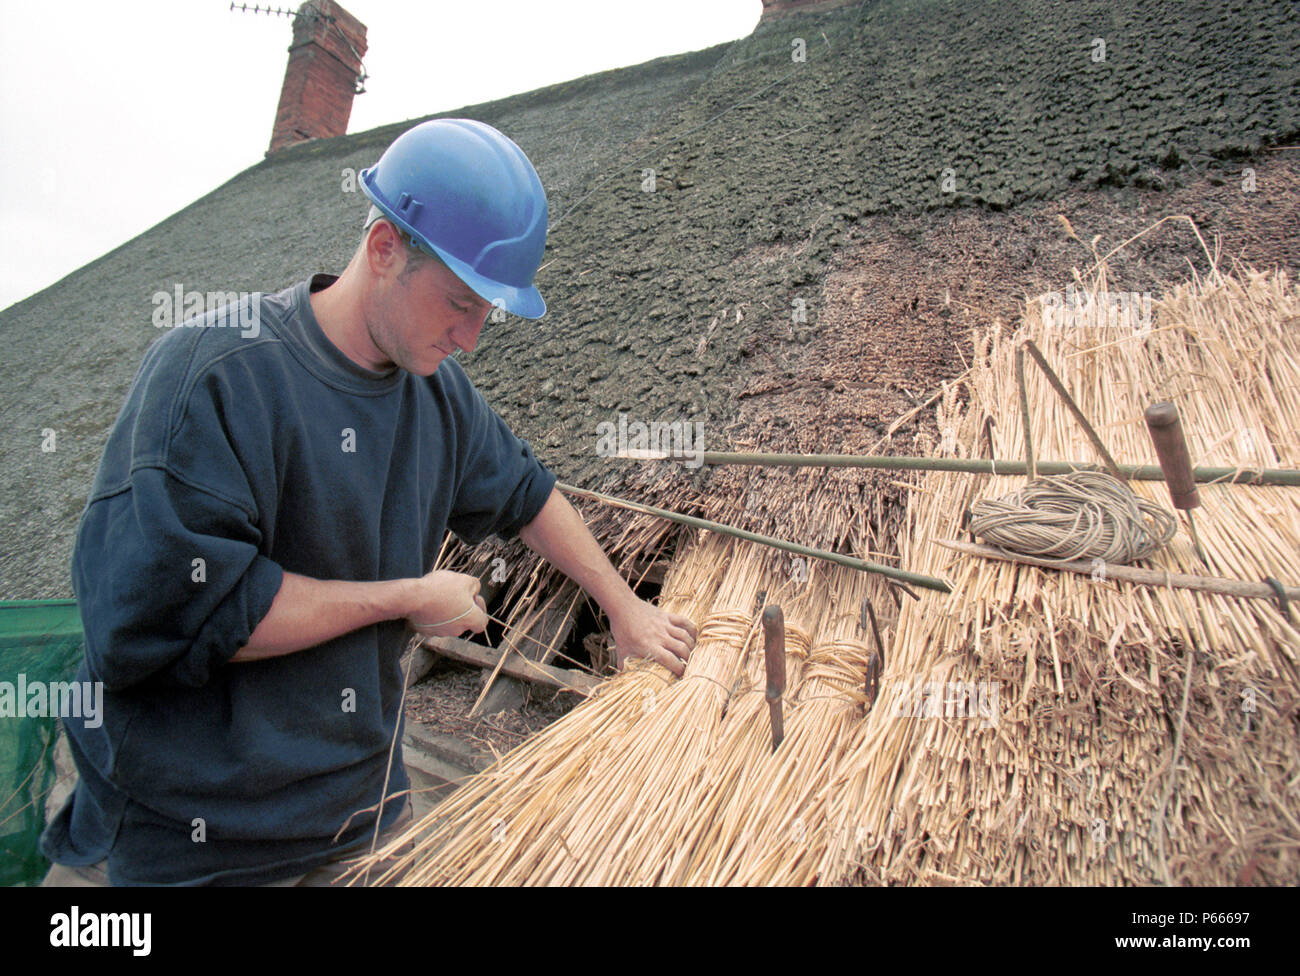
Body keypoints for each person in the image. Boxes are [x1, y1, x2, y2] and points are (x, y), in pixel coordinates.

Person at [39, 118, 697, 886]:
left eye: (487, 312)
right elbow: (192, 611)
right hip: (195, 847)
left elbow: (528, 491)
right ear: (385, 249)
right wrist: (409, 597)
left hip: (363, 826)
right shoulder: (218, 376)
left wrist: (624, 607)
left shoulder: (438, 397)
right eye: (459, 303)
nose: (472, 338)